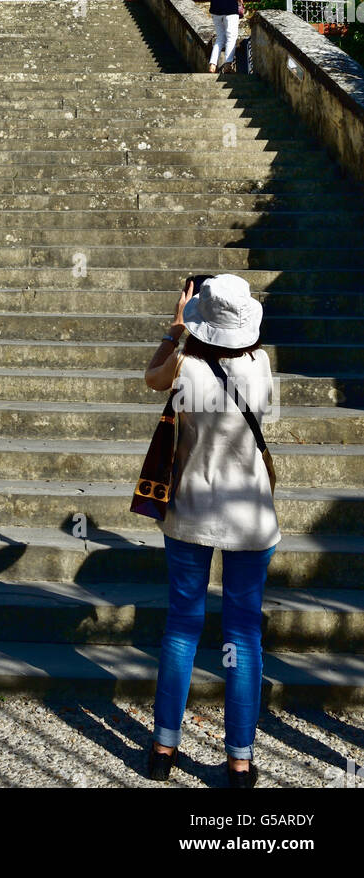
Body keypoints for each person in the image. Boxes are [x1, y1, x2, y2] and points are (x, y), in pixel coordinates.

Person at [144, 274, 279, 788]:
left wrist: (176, 327)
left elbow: (150, 377)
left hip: (190, 511)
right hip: (251, 517)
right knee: (244, 634)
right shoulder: (261, 366)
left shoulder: (185, 369)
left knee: (182, 627)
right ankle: (240, 762)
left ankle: (163, 748)